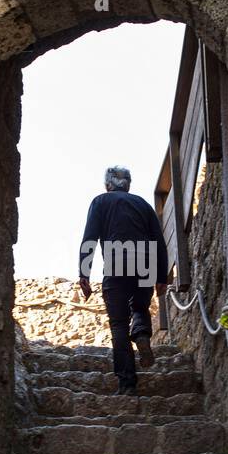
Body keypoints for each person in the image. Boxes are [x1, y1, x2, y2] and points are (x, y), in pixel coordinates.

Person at [78, 166, 168, 395]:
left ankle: (127, 384)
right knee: (139, 306)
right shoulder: (143, 205)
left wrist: (84, 273)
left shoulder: (100, 202)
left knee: (118, 324)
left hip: (117, 262)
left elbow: (90, 239)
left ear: (108, 185)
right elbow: (158, 240)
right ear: (128, 185)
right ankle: (141, 333)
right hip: (145, 262)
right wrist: (161, 275)